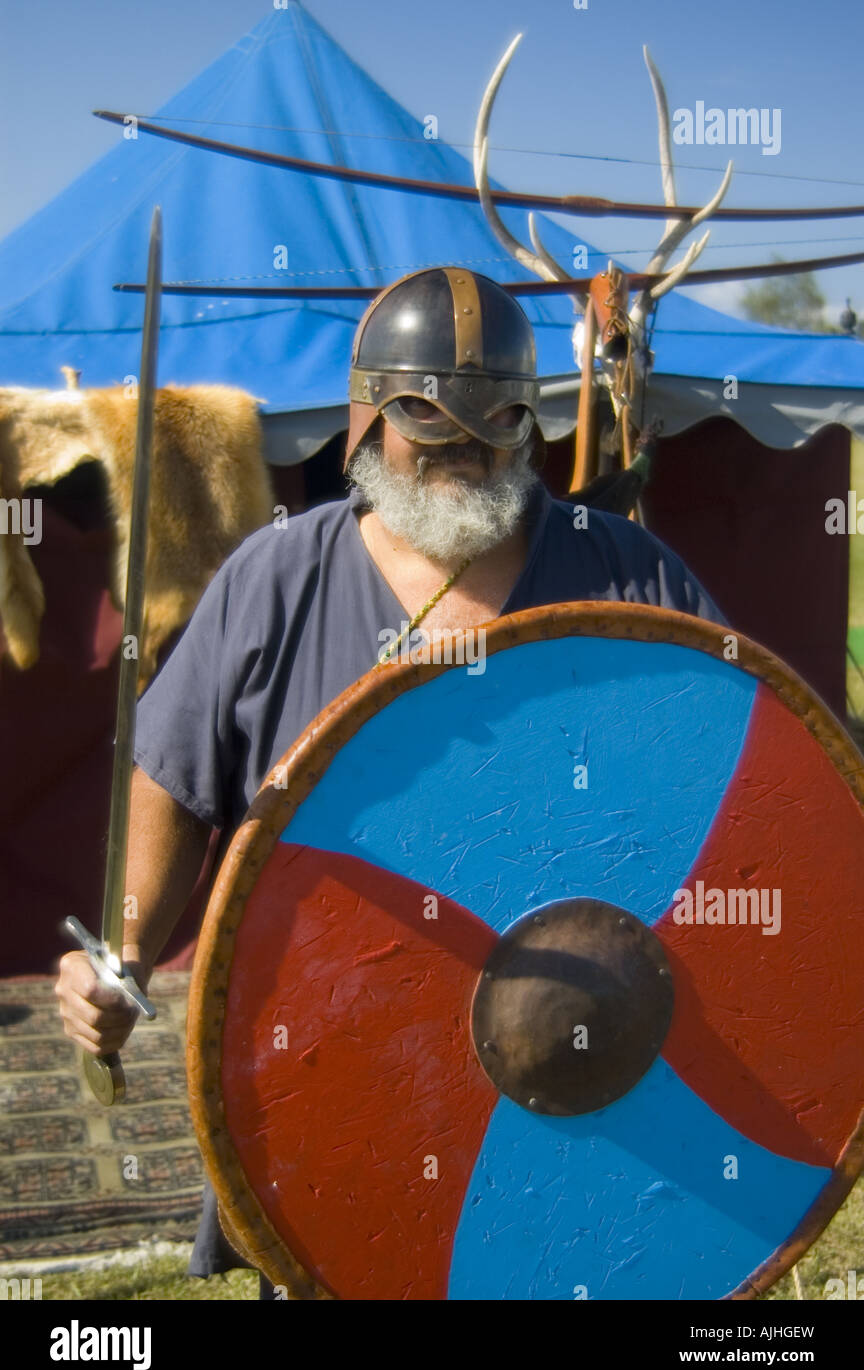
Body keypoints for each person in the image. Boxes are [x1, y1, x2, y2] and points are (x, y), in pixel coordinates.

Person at [55, 266, 724, 1294]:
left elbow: (737, 786)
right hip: (334, 1061)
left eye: (494, 422)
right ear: (366, 418)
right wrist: (129, 952)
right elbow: (174, 775)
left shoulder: (630, 579)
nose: (464, 448)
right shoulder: (278, 580)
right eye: (429, 418)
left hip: (578, 1073)